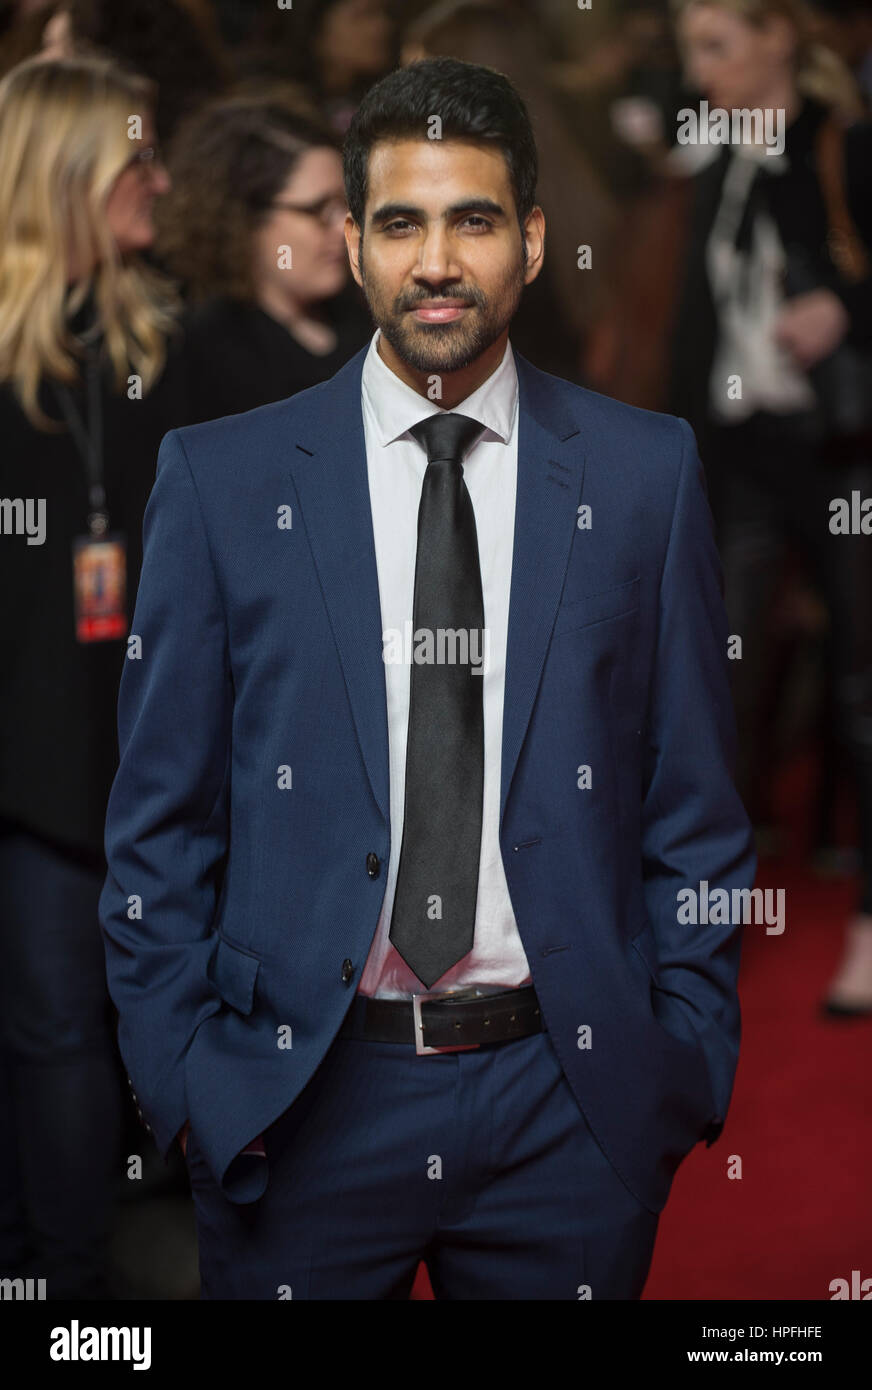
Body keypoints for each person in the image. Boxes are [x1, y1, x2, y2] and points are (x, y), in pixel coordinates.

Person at [99, 55, 756, 1300]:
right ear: (350, 245)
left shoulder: (640, 476)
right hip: (301, 1098)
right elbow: (159, 823)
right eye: (400, 221)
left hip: (567, 1102)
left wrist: (679, 1057)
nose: (437, 260)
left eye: (473, 219)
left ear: (531, 240)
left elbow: (696, 815)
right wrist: (187, 1077)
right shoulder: (224, 481)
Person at [0, 54, 182, 1298]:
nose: (159, 183)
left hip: (128, 756)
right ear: (69, 179)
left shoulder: (149, 342)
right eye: (135, 163)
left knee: (90, 1034)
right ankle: (63, 1290)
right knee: (55, 1032)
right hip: (29, 775)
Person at [668, 0, 872, 1015]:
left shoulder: (842, 145)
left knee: (858, 687)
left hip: (841, 457)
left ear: (776, 36)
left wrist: (845, 307)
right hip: (739, 453)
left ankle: (868, 929)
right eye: (689, 51)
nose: (699, 73)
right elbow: (691, 327)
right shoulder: (714, 159)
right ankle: (699, 922)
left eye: (715, 46)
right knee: (716, 681)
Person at [156, 94, 373, 425]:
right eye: (318, 209)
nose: (343, 226)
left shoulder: (367, 324)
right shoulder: (203, 355)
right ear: (247, 220)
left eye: (346, 204)